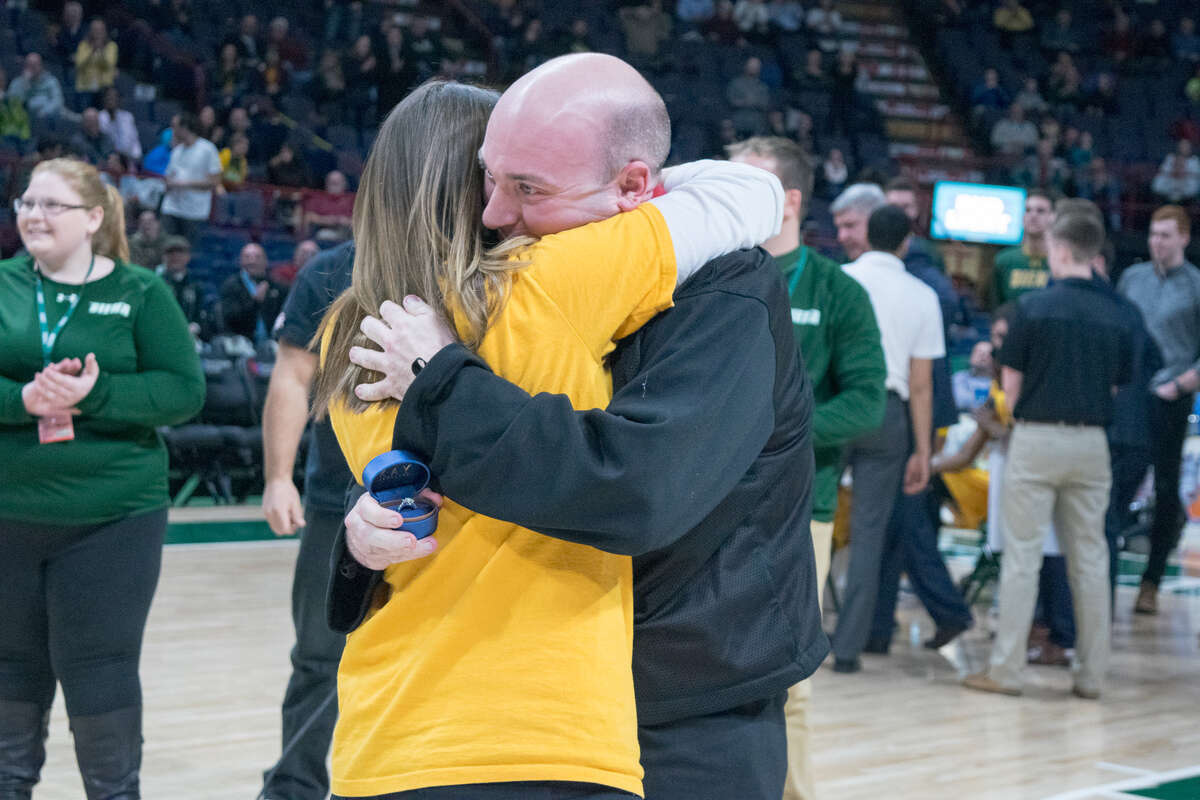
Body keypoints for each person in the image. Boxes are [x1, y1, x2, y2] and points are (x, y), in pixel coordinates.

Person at [318, 65, 802, 800]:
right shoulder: (546, 282)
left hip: (683, 699)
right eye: (488, 180)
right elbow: (752, 194)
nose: (495, 214)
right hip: (553, 721)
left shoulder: (353, 326)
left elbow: (634, 489)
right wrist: (359, 537)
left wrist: (439, 382)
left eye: (528, 189)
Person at [0, 158, 204, 798]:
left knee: (101, 667)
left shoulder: (141, 293)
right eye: (26, 202)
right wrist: (21, 402)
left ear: (93, 218)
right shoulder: (2, 284)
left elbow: (183, 391)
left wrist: (96, 394)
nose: (33, 214)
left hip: (114, 518)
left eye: (51, 205)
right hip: (8, 511)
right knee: (9, 669)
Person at [728, 136, 885, 800]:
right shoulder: (700, 273)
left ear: (789, 201)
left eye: (746, 186)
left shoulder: (836, 291)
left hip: (800, 508)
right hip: (694, 505)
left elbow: (868, 401)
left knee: (790, 683)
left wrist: (774, 434)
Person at [964, 209, 1132, 700]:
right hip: (1093, 442)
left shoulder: (1031, 308)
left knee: (1022, 557)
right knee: (1091, 559)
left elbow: (1010, 386)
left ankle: (1007, 670)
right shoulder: (1118, 311)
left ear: (1059, 250)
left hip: (1036, 438)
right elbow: (1120, 386)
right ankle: (1091, 676)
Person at [259, 242, 355, 800]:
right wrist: (278, 477)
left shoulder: (476, 254)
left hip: (451, 501)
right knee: (320, 660)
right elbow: (293, 377)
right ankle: (293, 789)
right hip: (335, 499)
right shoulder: (331, 271)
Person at [831, 204, 945, 674]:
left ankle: (792, 633)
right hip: (889, 413)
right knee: (868, 536)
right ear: (906, 243)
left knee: (812, 521)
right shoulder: (922, 294)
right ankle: (848, 649)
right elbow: (922, 385)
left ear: (866, 236)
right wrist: (922, 449)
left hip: (836, 405)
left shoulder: (839, 279)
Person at [1117, 205, 1200, 615]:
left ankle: (1151, 579)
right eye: (1153, 234)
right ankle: (1105, 574)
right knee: (1117, 484)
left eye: (1166, 235)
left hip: (1171, 395)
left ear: (1183, 238)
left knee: (1166, 488)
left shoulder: (1196, 286)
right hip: (1131, 396)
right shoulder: (1132, 279)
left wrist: (1183, 384)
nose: (1157, 242)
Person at [160, 112, 222, 242]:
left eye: (175, 126)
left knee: (189, 253)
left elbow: (214, 181)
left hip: (195, 212)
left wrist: (183, 184)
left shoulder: (207, 149)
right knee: (167, 248)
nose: (172, 130)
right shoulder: (176, 151)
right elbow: (169, 175)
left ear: (185, 128)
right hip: (171, 208)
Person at [992, 189, 1054, 304]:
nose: (1033, 215)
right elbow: (995, 307)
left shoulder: (1060, 261)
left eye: (1040, 211)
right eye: (1027, 210)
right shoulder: (1004, 260)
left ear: (1052, 217)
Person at [218, 242, 284, 343]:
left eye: (257, 257)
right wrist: (255, 301)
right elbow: (231, 318)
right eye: (247, 257)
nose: (252, 261)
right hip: (240, 344)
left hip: (271, 345)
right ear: (240, 261)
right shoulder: (230, 286)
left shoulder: (276, 286)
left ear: (266, 261)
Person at [155, 235, 212, 339]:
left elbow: (201, 315)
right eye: (171, 253)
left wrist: (196, 326)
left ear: (188, 257)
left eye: (180, 252)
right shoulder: (155, 284)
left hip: (190, 338)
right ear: (164, 257)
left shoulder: (195, 286)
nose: (175, 257)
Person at [7, 53, 65, 120]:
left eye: (35, 65)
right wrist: (24, 84)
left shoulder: (51, 81)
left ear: (41, 66)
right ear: (25, 66)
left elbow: (57, 102)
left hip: (47, 119)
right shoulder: (16, 83)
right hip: (24, 120)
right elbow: (12, 104)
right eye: (29, 65)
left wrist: (42, 113)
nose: (32, 68)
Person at [73, 19, 118, 106]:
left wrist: (100, 51)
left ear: (104, 31)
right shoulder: (83, 45)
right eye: (95, 30)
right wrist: (92, 52)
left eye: (100, 30)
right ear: (90, 31)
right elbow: (79, 66)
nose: (97, 32)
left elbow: (109, 66)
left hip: (104, 88)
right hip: (85, 87)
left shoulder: (111, 46)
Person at [97, 87, 141, 161]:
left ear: (119, 100)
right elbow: (103, 142)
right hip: (109, 158)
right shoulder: (99, 117)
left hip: (130, 157)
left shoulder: (127, 117)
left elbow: (131, 142)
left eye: (114, 97)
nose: (111, 100)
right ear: (104, 100)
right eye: (109, 97)